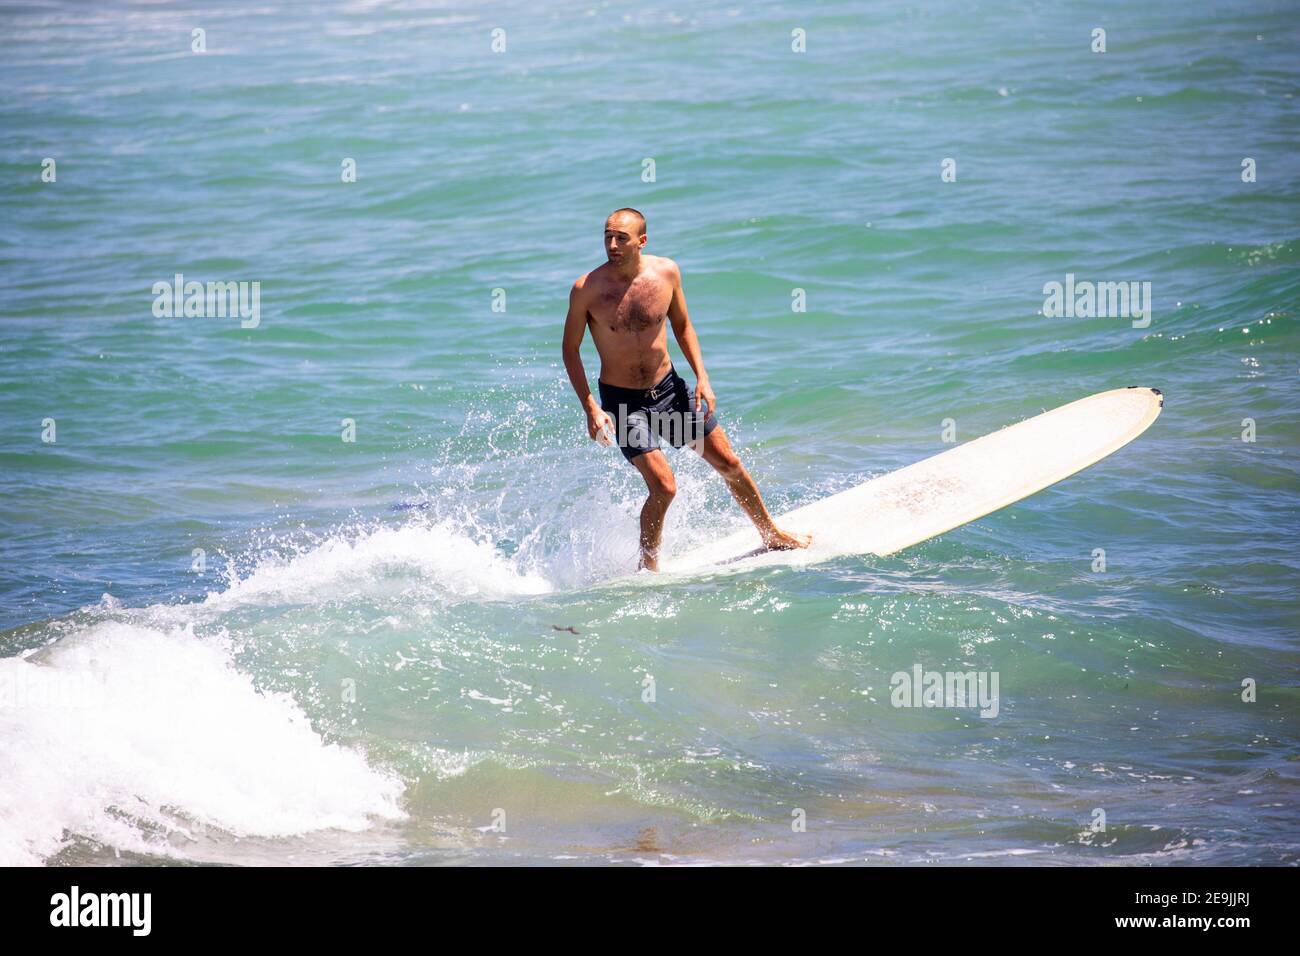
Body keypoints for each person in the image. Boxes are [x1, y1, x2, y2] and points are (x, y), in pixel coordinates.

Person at [562, 207, 812, 570]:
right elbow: (570, 349)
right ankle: (648, 570)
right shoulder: (587, 290)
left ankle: (771, 533)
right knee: (664, 486)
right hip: (624, 405)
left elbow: (683, 327)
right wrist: (590, 407)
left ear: (642, 241)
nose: (612, 244)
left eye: (621, 238)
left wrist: (703, 378)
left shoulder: (666, 273)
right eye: (607, 236)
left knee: (729, 463)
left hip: (669, 393)